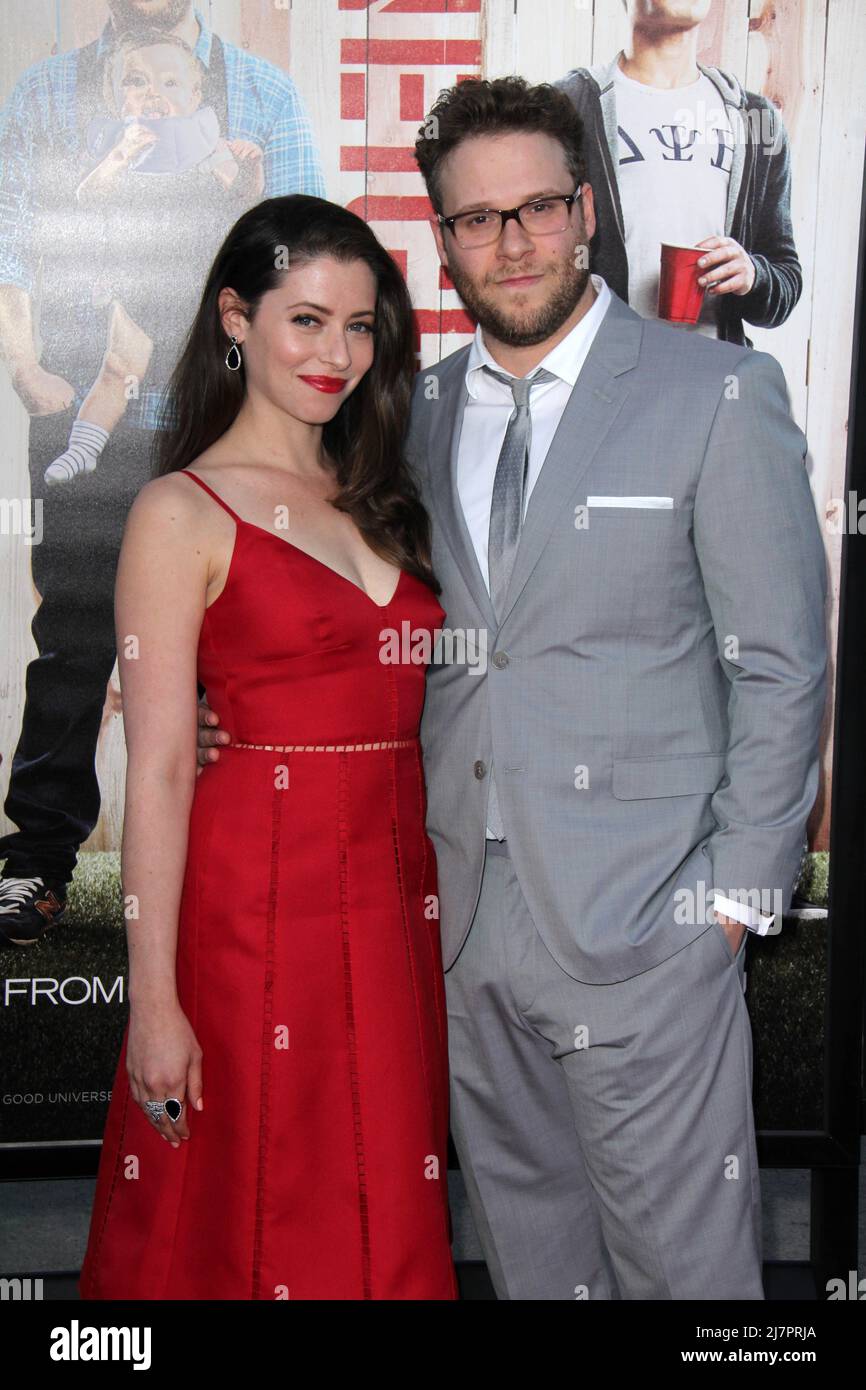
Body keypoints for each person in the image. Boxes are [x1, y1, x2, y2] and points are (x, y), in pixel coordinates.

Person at [197, 75, 829, 1300]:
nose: (511, 242)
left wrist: (729, 910)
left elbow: (781, 664)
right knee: (538, 1269)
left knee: (687, 1280)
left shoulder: (713, 393)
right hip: (461, 926)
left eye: (536, 206)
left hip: (652, 929)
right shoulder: (401, 421)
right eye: (475, 220)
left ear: (585, 209)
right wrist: (239, 713)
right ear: (440, 244)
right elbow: (349, 621)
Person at [79, 194, 457, 1301]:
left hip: (391, 900)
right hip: (251, 908)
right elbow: (155, 768)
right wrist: (151, 1003)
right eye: (304, 320)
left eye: (358, 325)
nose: (335, 353)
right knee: (253, 1204)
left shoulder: (387, 491)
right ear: (234, 319)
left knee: (381, 1191)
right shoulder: (177, 510)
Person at [0, 0, 324, 945]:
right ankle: (36, 866)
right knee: (74, 638)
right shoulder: (47, 92)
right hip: (87, 406)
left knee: (240, 643)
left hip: (222, 414)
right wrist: (26, 369)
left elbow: (307, 255)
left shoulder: (260, 93)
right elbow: (13, 242)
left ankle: (241, 865)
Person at [45, 26, 265, 487]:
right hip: (143, 283)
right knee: (117, 365)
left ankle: (231, 461)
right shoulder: (118, 144)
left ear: (195, 93)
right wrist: (120, 157)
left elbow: (245, 198)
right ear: (115, 96)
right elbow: (86, 197)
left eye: (169, 84)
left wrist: (251, 165)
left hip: (204, 289)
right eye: (136, 82)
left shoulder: (207, 142)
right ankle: (84, 447)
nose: (152, 95)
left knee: (222, 373)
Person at [556, 0, 801, 344]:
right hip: (603, 378)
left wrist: (752, 275)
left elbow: (785, 281)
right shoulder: (565, 106)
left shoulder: (755, 120)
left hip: (712, 381)